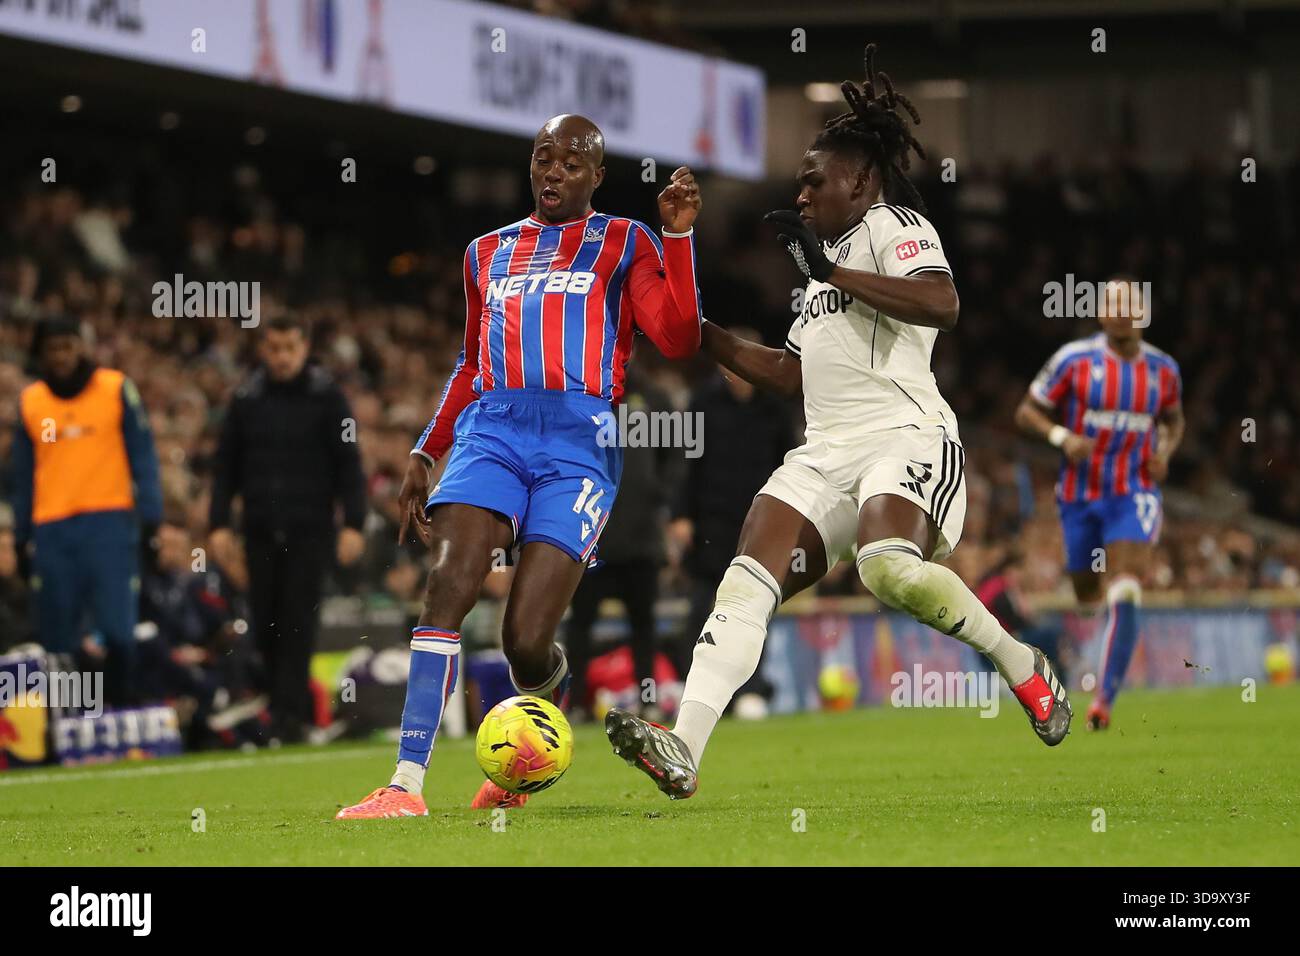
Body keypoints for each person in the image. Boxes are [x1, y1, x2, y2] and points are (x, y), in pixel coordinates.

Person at [605, 45, 1072, 801]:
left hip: (906, 435)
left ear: (860, 178)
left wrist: (826, 272)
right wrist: (702, 332)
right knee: (744, 583)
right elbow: (791, 373)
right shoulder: (821, 270)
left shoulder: (894, 224)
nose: (803, 188)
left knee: (886, 568)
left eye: (815, 177)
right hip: (824, 453)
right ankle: (684, 745)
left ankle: (1021, 665)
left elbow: (942, 303)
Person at [335, 113, 703, 819]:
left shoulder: (625, 241)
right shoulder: (485, 253)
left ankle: (533, 739)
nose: (553, 172)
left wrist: (680, 239)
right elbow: (472, 365)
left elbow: (679, 336)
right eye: (543, 158)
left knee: (526, 641)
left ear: (596, 176)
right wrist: (425, 447)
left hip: (578, 443)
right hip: (492, 432)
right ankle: (405, 784)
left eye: (571, 163)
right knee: (447, 585)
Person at [1014, 277, 1183, 729]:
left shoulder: (1163, 370)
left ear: (1142, 312)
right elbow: (1026, 411)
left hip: (1133, 491)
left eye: (1128, 303)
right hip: (1079, 495)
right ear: (1100, 312)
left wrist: (1164, 453)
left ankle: (1103, 701)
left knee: (1126, 583)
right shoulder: (1074, 360)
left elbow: (1174, 420)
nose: (1119, 311)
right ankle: (1092, 635)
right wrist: (1061, 436)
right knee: (1088, 589)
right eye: (1111, 303)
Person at [209, 314, 367, 744]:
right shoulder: (246, 398)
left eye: (290, 349)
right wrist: (219, 524)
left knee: (297, 622)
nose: (281, 358)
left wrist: (353, 521)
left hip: (309, 529)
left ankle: (289, 717)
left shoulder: (327, 397)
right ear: (264, 350)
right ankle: (281, 711)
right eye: (274, 349)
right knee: (264, 621)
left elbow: (348, 464)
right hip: (259, 528)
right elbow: (226, 467)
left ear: (303, 347)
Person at [10, 317, 162, 703]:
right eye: (52, 349)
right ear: (41, 353)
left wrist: (151, 515)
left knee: (117, 627)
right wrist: (21, 536)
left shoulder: (114, 389)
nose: (61, 356)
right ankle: (76, 719)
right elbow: (24, 477)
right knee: (58, 633)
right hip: (52, 529)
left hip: (108, 523)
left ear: (82, 346)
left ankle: (122, 708)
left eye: (67, 346)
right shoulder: (32, 402)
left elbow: (143, 455)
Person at [669, 334, 794, 707]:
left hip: (760, 524)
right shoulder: (701, 403)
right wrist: (681, 515)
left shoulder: (775, 407)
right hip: (711, 524)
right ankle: (692, 688)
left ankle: (750, 691)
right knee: (700, 608)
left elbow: (791, 464)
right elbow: (685, 464)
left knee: (756, 607)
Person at [563, 360, 682, 723]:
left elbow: (676, 457)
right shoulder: (582, 397)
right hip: (592, 535)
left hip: (641, 538)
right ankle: (577, 702)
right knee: (581, 623)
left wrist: (659, 498)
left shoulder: (653, 398)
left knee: (643, 624)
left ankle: (647, 697)